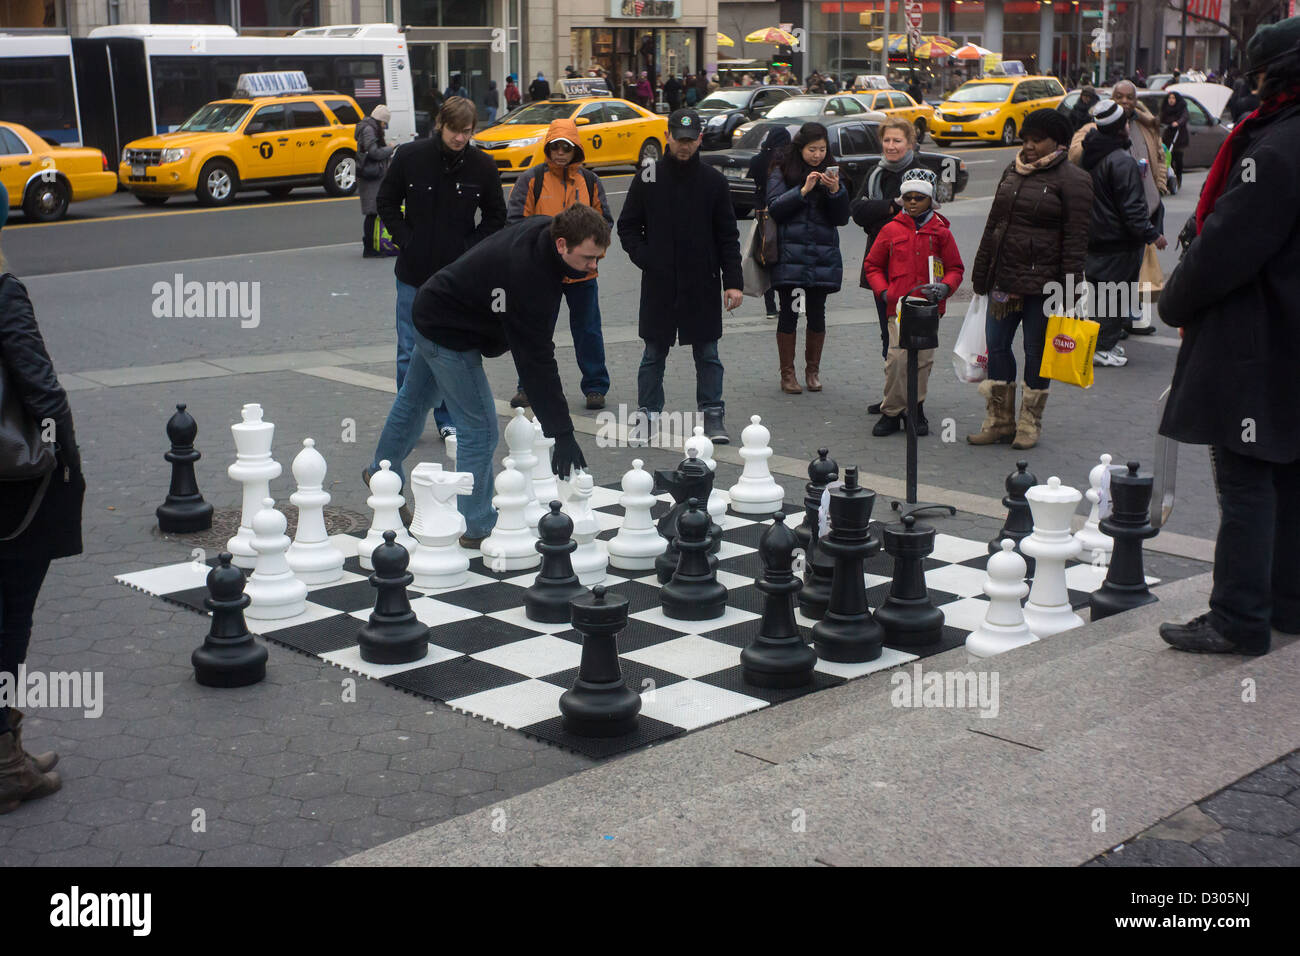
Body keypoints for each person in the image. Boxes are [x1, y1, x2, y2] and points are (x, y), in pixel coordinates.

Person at [1157, 17, 1300, 657]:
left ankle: (1238, 617)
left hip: (1255, 335)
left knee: (1244, 475)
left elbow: (1229, 245)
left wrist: (1176, 297)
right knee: (1289, 469)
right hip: (1288, 333)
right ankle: (1289, 604)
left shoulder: (1276, 145)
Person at [369, 204, 605, 546]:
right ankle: (476, 524)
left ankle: (379, 471)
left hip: (434, 308)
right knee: (479, 427)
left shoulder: (546, 230)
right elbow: (536, 360)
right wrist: (563, 432)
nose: (593, 266)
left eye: (599, 258)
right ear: (562, 245)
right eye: (587, 257)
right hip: (447, 332)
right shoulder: (529, 276)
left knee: (415, 400)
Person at [0, 184, 83, 812]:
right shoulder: (3, 291)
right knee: (10, 619)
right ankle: (7, 767)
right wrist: (66, 462)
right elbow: (43, 392)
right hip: (11, 485)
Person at [375, 97, 506, 448]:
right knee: (408, 349)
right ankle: (409, 421)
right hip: (414, 274)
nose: (460, 138)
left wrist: (469, 251)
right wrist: (406, 240)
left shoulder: (483, 166)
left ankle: (448, 420)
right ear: (439, 124)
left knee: (450, 348)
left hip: (457, 281)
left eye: (467, 132)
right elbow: (385, 202)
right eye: (454, 130)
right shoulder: (410, 156)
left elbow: (496, 218)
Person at [968, 108, 1093, 449]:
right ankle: (999, 420)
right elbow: (994, 225)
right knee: (996, 346)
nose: (1030, 146)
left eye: (1038, 140)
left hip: (1044, 287)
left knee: (1036, 352)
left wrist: (1069, 289)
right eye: (1026, 139)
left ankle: (1029, 424)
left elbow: (1075, 240)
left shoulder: (1074, 180)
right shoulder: (1013, 170)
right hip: (1004, 281)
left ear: (1058, 142)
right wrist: (982, 274)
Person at [618, 108, 744, 444]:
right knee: (653, 353)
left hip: (701, 281)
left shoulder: (714, 181)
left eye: (690, 140)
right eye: (679, 139)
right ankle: (647, 414)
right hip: (659, 283)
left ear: (699, 139)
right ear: (667, 138)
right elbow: (628, 225)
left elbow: (728, 236)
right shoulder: (648, 176)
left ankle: (713, 413)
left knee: (707, 353)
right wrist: (646, 258)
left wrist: (733, 281)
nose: (684, 146)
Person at [506, 120, 614, 411]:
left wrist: (590, 258)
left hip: (582, 273)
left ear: (575, 149)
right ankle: (526, 386)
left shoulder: (590, 181)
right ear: (548, 148)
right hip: (542, 273)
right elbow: (516, 224)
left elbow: (605, 224)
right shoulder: (531, 180)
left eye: (566, 148)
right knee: (535, 332)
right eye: (555, 147)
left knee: (588, 331)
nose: (560, 153)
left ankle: (595, 387)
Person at [864, 168, 964, 437]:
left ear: (930, 201)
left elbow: (955, 267)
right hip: (898, 307)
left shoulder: (941, 232)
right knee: (897, 358)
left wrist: (945, 287)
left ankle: (915, 408)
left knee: (921, 360)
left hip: (928, 310)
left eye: (919, 198)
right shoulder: (890, 229)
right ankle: (892, 411)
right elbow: (872, 265)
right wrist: (884, 292)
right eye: (907, 198)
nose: (912, 203)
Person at [1070, 78, 1166, 338]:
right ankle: (1106, 338)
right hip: (1119, 222)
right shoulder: (1097, 133)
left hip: (1140, 209)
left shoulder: (1146, 127)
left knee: (1127, 278)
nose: (1125, 102)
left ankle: (1124, 321)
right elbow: (1075, 155)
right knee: (1115, 281)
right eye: (1119, 97)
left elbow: (1160, 156)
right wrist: (1096, 142)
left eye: (1130, 97)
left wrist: (1160, 184)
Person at [851, 116, 930, 415]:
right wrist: (891, 205)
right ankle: (893, 399)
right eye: (887, 140)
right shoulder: (876, 172)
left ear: (909, 143)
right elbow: (857, 211)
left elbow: (918, 213)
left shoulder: (921, 172)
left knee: (915, 335)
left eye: (897, 140)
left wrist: (882, 213)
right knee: (889, 333)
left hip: (915, 262)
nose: (891, 146)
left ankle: (915, 405)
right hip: (880, 262)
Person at [765, 122, 850, 395]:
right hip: (791, 256)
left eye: (822, 150)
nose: (817, 155)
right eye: (812, 149)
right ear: (800, 148)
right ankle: (787, 374)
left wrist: (836, 191)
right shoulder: (782, 170)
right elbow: (775, 209)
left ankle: (812, 371)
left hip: (821, 256)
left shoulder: (832, 173)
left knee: (817, 313)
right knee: (789, 312)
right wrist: (802, 190)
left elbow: (841, 218)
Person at [746, 125, 791, 321]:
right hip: (785, 212)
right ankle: (790, 304)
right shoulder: (788, 160)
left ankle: (770, 307)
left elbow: (754, 185)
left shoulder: (757, 160)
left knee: (766, 257)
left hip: (763, 214)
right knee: (787, 258)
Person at [355, 104, 394, 258]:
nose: (385, 126)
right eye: (384, 123)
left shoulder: (368, 128)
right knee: (372, 212)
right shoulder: (369, 130)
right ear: (380, 120)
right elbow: (374, 152)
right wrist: (390, 148)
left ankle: (372, 246)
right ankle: (369, 248)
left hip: (369, 174)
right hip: (369, 175)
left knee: (373, 211)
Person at [1159, 89, 1190, 190]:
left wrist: (1178, 123)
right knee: (1168, 158)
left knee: (1178, 158)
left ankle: (1179, 177)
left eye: (1173, 98)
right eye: (1169, 98)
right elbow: (1161, 118)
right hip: (1168, 136)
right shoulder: (1165, 108)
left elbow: (1185, 117)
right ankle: (1169, 179)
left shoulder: (1182, 108)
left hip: (1179, 137)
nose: (1171, 100)